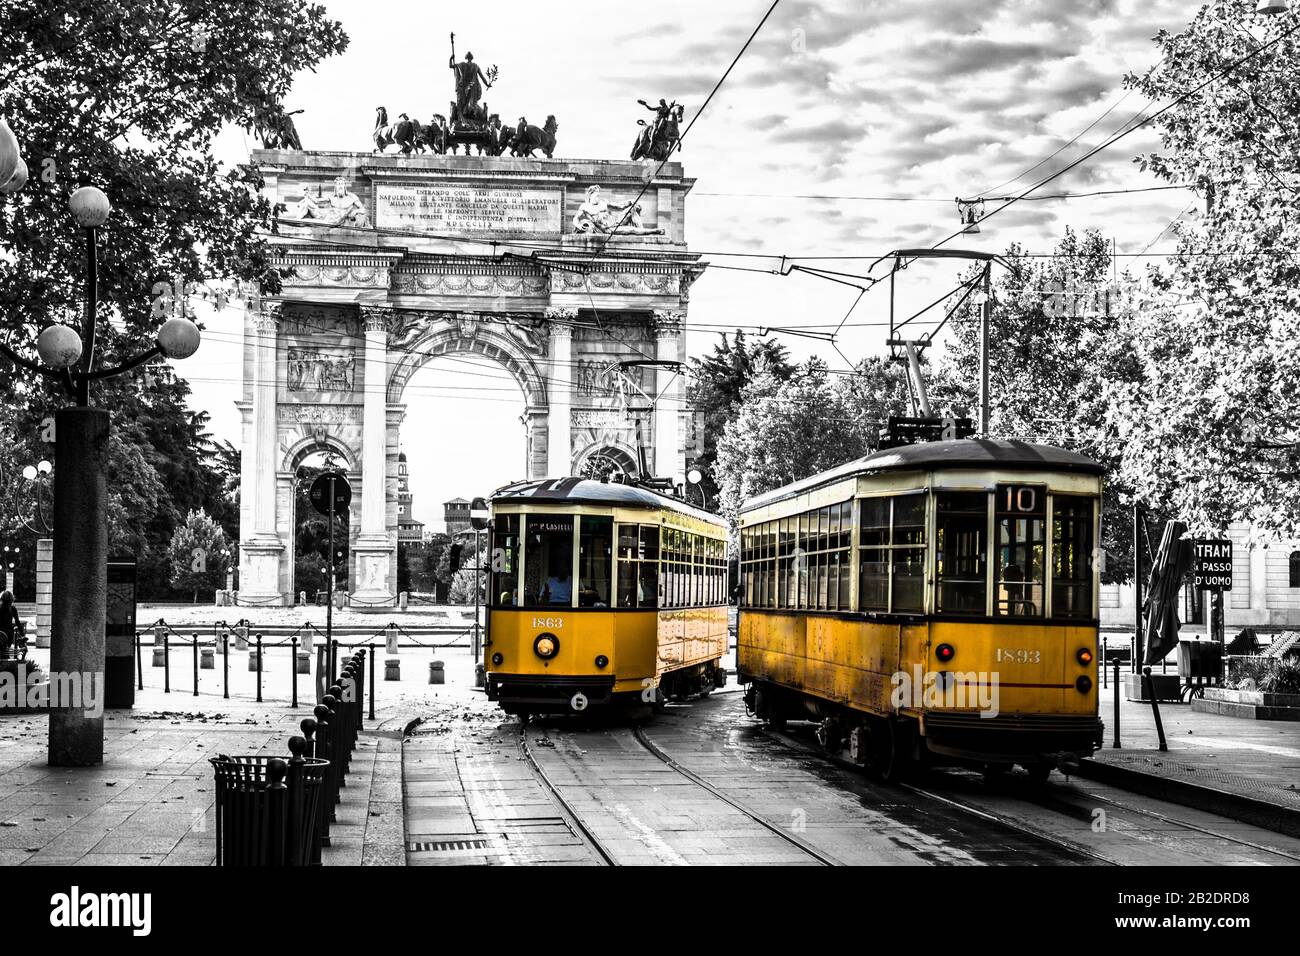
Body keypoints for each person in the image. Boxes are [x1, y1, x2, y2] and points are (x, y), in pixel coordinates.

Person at [0, 591, 22, 659]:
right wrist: (22, 634)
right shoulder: (13, 609)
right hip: (9, 634)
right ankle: (7, 662)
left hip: (0, 633)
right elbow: (17, 622)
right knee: (6, 648)